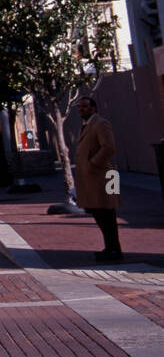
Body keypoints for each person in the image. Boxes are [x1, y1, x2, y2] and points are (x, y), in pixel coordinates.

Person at [73, 95, 122, 263]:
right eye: (79, 107)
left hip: (104, 176)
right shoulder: (86, 125)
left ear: (94, 108)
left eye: (85, 106)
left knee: (107, 213)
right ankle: (110, 248)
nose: (82, 110)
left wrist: (92, 163)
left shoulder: (100, 123)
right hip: (93, 178)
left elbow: (108, 147)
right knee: (99, 213)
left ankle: (114, 250)